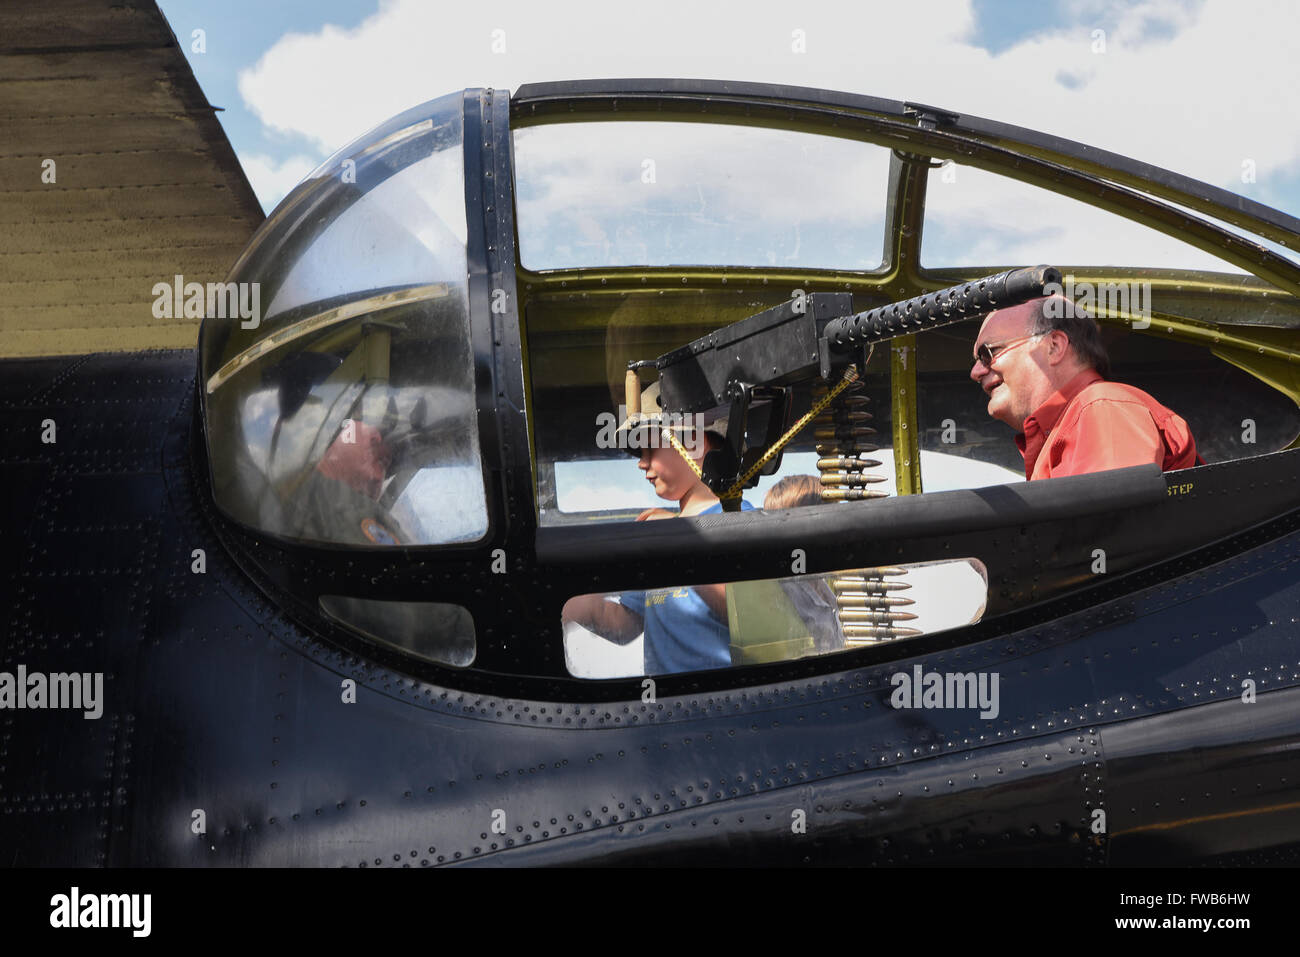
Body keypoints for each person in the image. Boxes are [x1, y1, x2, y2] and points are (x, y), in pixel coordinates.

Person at [561, 409, 752, 674]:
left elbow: (745, 615)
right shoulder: (659, 534)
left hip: (725, 699)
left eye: (650, 449)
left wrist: (677, 539)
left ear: (694, 446)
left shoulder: (741, 521)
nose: (641, 463)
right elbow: (627, 626)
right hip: (669, 706)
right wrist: (586, 610)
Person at [969, 295, 1200, 480]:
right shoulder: (1075, 421)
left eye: (988, 353)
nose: (976, 372)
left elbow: (1112, 529)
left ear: (1054, 347)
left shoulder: (1101, 407)